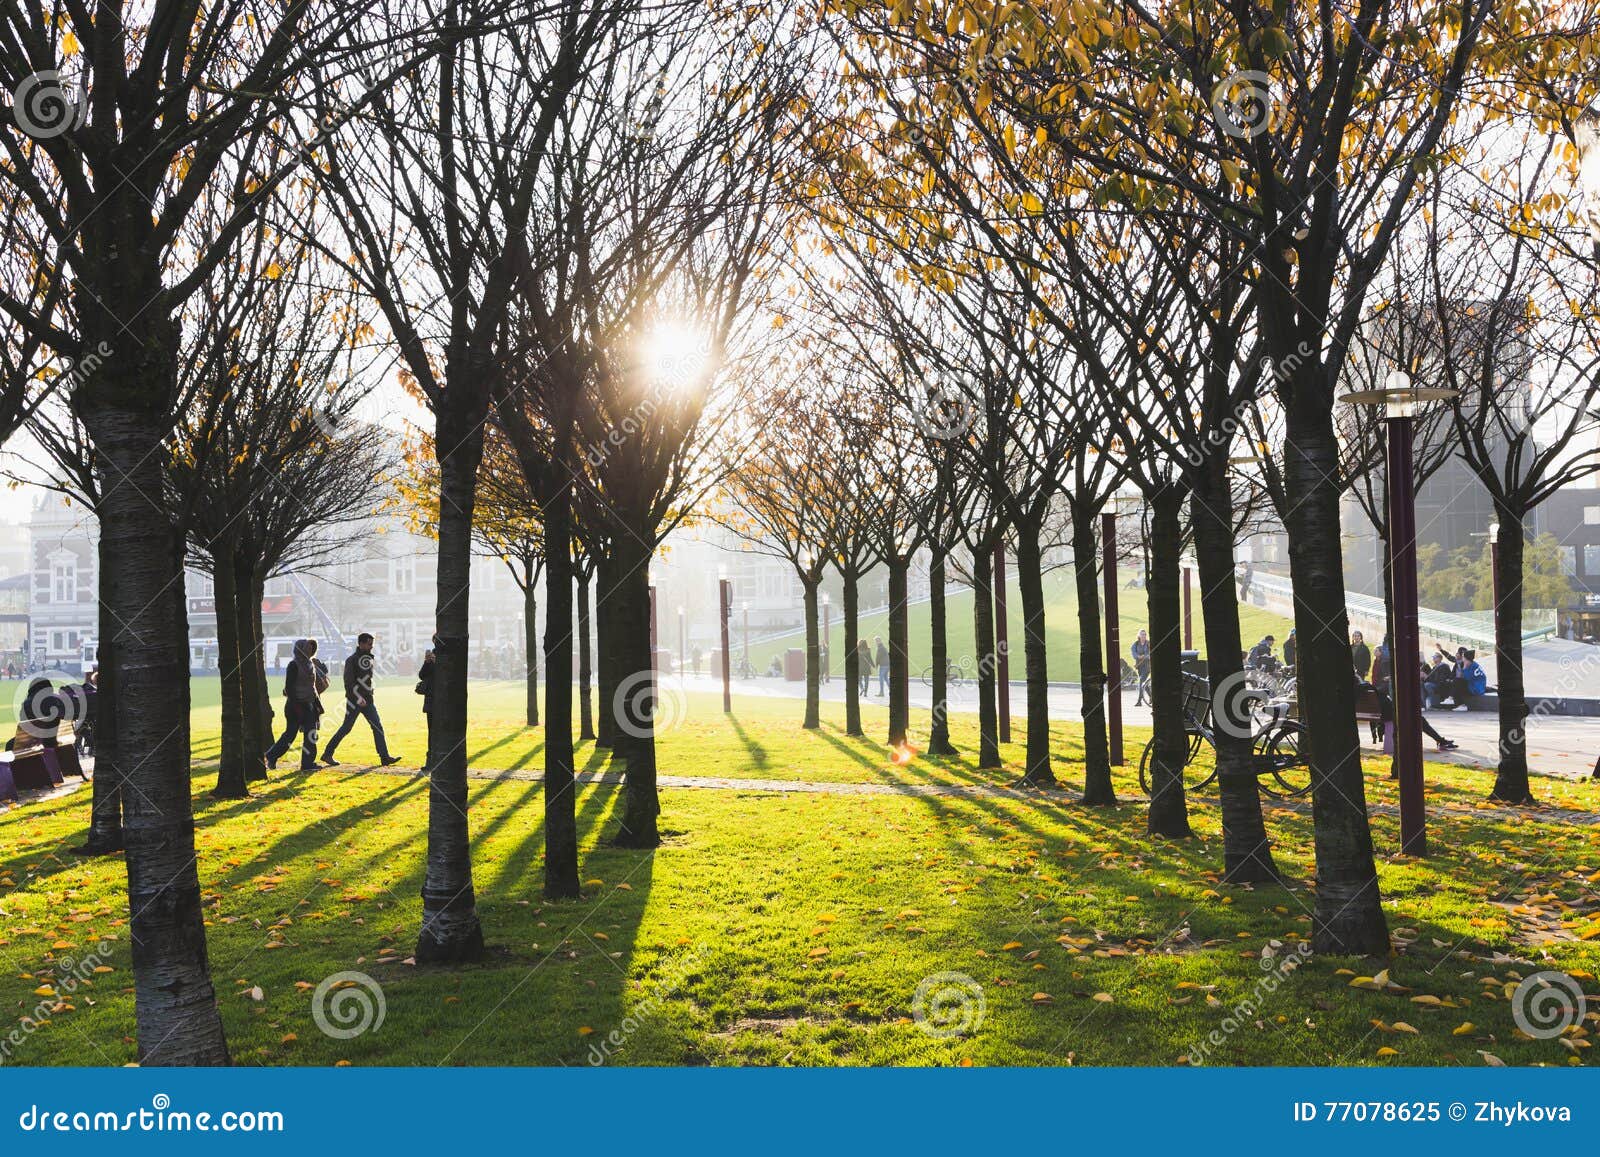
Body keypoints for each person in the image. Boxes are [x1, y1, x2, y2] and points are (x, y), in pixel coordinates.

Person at [321, 633, 402, 768]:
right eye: (369, 644)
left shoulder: (368, 659)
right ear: (361, 644)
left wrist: (369, 691)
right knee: (346, 728)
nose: (371, 647)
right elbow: (349, 682)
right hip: (355, 701)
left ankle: (384, 757)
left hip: (368, 700)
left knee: (377, 727)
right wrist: (358, 697)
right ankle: (327, 753)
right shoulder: (351, 660)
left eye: (372, 644)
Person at [266, 638, 327, 772]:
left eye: (311, 648)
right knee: (290, 735)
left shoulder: (310, 664)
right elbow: (289, 688)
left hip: (309, 704)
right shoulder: (293, 665)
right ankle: (271, 756)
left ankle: (307, 763)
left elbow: (312, 687)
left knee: (311, 734)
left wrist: (317, 704)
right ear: (301, 649)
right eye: (307, 648)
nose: (310, 650)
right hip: (295, 706)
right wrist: (296, 706)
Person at [1130, 630, 1151, 706]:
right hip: (1139, 666)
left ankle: (1139, 701)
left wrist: (1145, 656)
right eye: (1142, 634)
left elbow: (1151, 653)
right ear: (1139, 636)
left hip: (1147, 666)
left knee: (1141, 681)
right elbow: (1133, 654)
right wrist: (1138, 656)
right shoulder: (1135, 644)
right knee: (1144, 683)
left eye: (1145, 634)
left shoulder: (1148, 643)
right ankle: (1151, 696)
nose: (1143, 636)